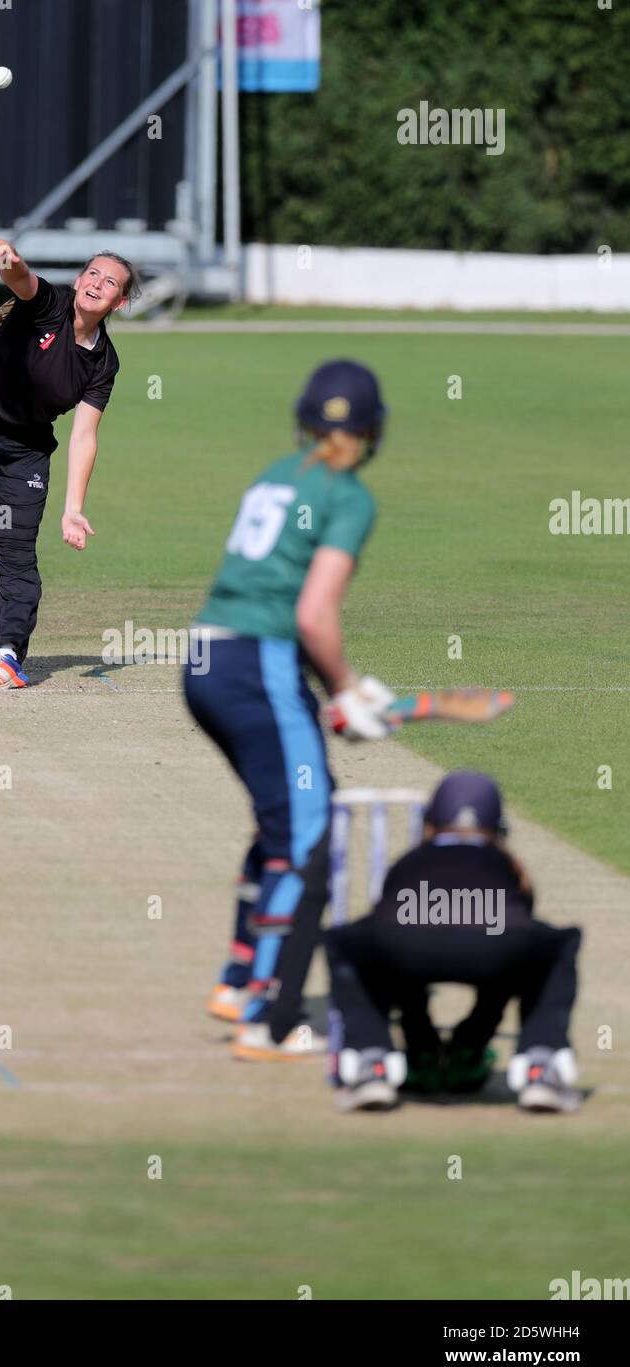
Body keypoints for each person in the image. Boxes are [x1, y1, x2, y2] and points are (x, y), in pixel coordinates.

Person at [182, 360, 395, 1061]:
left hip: (204, 659)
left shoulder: (278, 471)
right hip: (258, 665)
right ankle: (268, 1021)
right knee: (310, 841)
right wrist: (345, 690)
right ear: (370, 431)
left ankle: (240, 980)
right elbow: (312, 615)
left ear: (305, 421)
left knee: (285, 818)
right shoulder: (347, 495)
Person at [0, 241, 138, 690]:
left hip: (25, 451)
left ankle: (8, 656)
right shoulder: (50, 305)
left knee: (17, 553)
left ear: (120, 302)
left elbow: (84, 434)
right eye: (92, 274)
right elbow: (21, 280)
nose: (97, 283)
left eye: (110, 282)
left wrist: (73, 507)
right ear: (78, 281)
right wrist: (10, 259)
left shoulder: (103, 362)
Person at [327, 771, 583, 1114]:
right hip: (497, 943)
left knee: (351, 945)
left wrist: (418, 1029)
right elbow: (517, 939)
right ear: (499, 827)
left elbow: (390, 936)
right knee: (552, 948)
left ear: (430, 824)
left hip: (405, 942)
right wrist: (481, 1025)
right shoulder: (507, 862)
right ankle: (541, 1066)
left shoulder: (410, 859)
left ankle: (371, 1062)